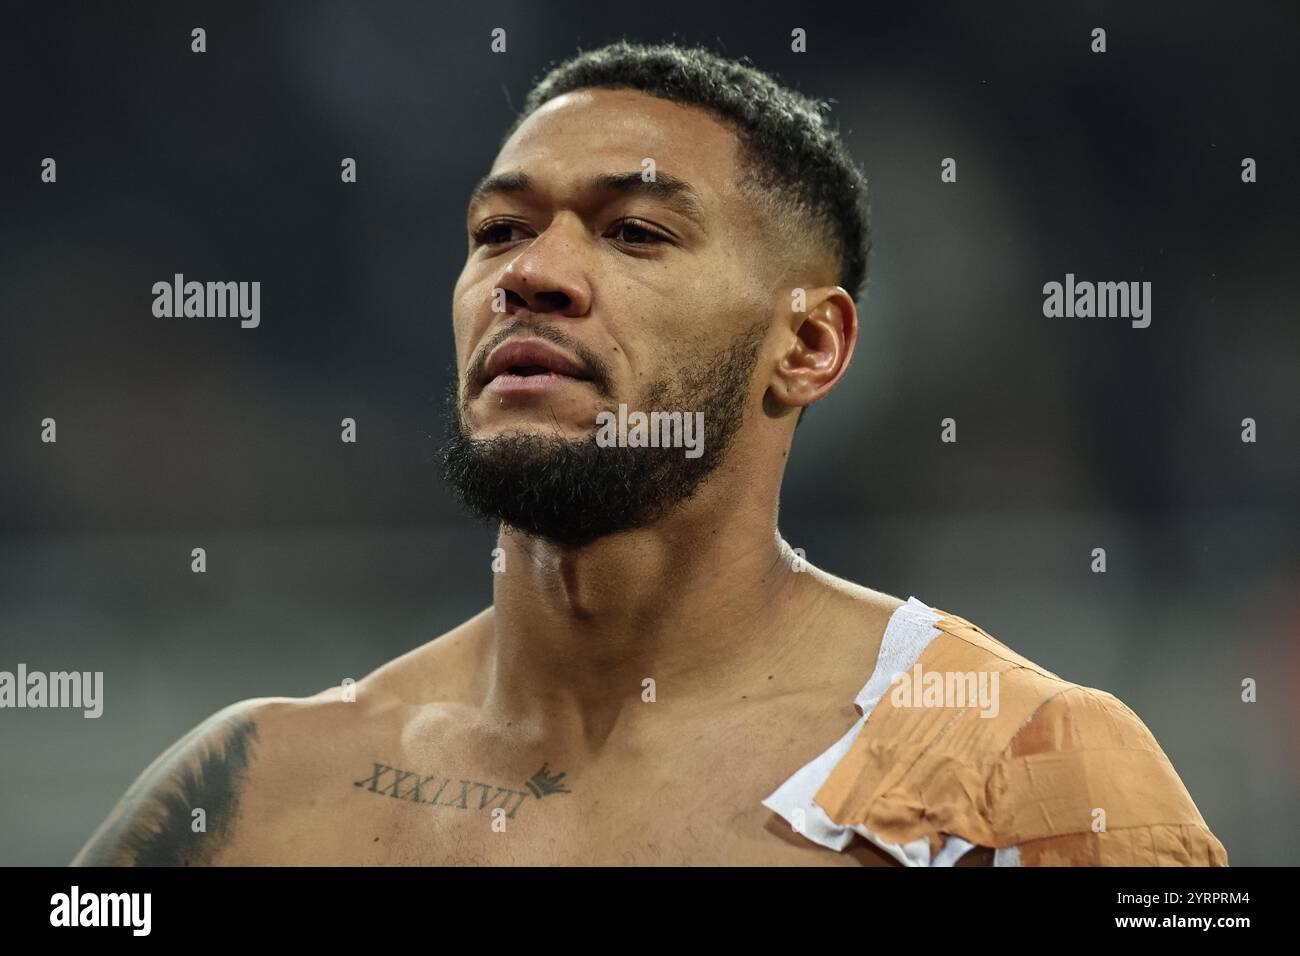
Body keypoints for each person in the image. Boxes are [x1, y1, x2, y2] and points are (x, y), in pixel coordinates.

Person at [72, 41, 1226, 867]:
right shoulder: (257, 790)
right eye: (499, 230)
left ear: (809, 345)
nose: (531, 273)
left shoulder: (1020, 769)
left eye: (634, 232)